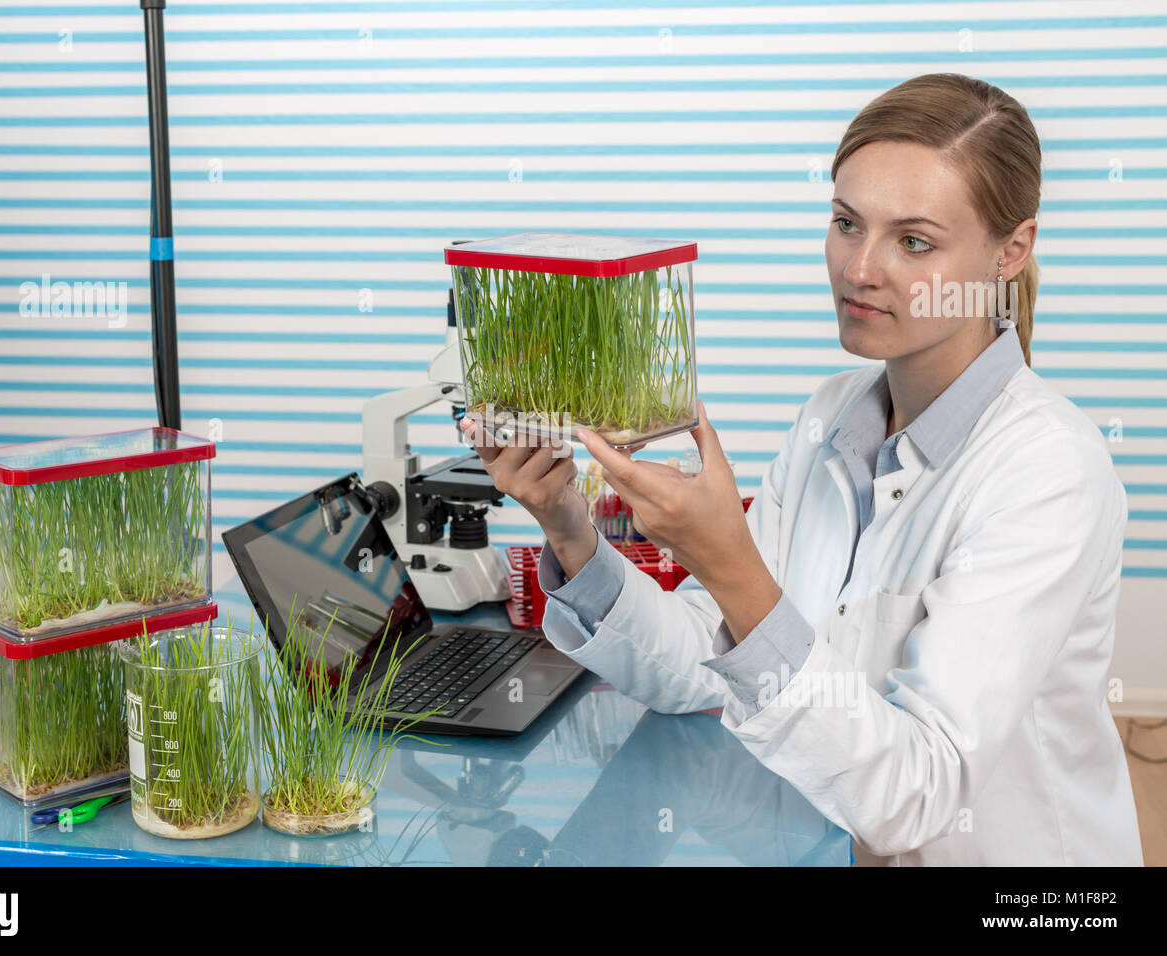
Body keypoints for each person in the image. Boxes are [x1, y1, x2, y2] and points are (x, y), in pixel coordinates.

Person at [460, 73, 1142, 866]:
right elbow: (705, 669)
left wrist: (731, 565)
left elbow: (913, 794)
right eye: (847, 224)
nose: (860, 269)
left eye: (913, 241)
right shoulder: (831, 418)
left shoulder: (1048, 471)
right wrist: (570, 529)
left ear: (1011, 250)